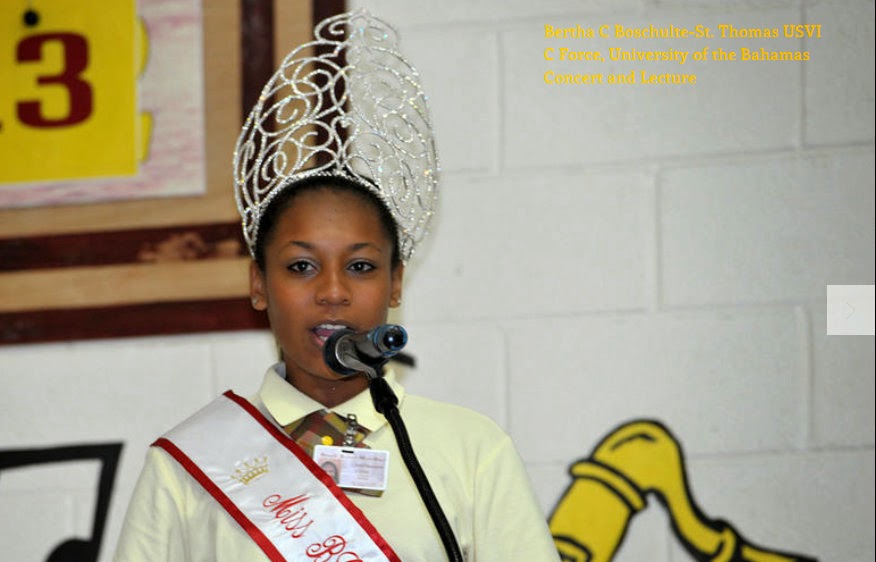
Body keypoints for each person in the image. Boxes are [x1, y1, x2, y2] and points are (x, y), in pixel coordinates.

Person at [114, 10, 560, 562]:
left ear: (396, 283)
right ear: (259, 284)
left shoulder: (470, 450)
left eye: (361, 267)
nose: (332, 292)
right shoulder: (189, 468)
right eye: (301, 267)